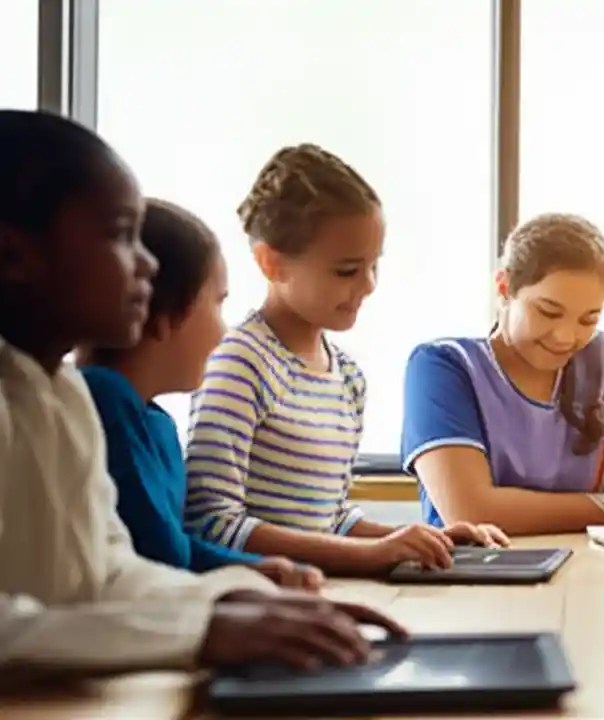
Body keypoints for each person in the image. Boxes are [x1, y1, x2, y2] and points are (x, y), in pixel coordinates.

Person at [0, 110, 402, 672]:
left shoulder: (60, 394)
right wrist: (203, 627)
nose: (145, 264)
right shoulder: (85, 396)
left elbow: (108, 569)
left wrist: (238, 598)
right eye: (119, 235)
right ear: (14, 256)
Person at [184, 144, 505, 576]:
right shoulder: (239, 363)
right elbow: (210, 524)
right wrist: (371, 555)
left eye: (374, 266)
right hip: (264, 606)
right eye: (347, 271)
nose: (369, 285)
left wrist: (428, 540)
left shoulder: (347, 378)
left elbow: (328, 520)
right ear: (271, 263)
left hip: (320, 597)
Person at [79, 198, 321, 588]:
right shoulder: (103, 397)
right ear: (165, 312)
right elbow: (156, 555)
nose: (224, 331)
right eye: (218, 302)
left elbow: (178, 547)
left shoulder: (155, 422)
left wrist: (250, 566)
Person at [401, 213, 604, 534]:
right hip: (476, 570)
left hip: (583, 560)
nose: (566, 337)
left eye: (588, 319)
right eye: (548, 312)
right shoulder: (443, 366)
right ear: (504, 287)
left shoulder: (603, 356)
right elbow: (470, 512)